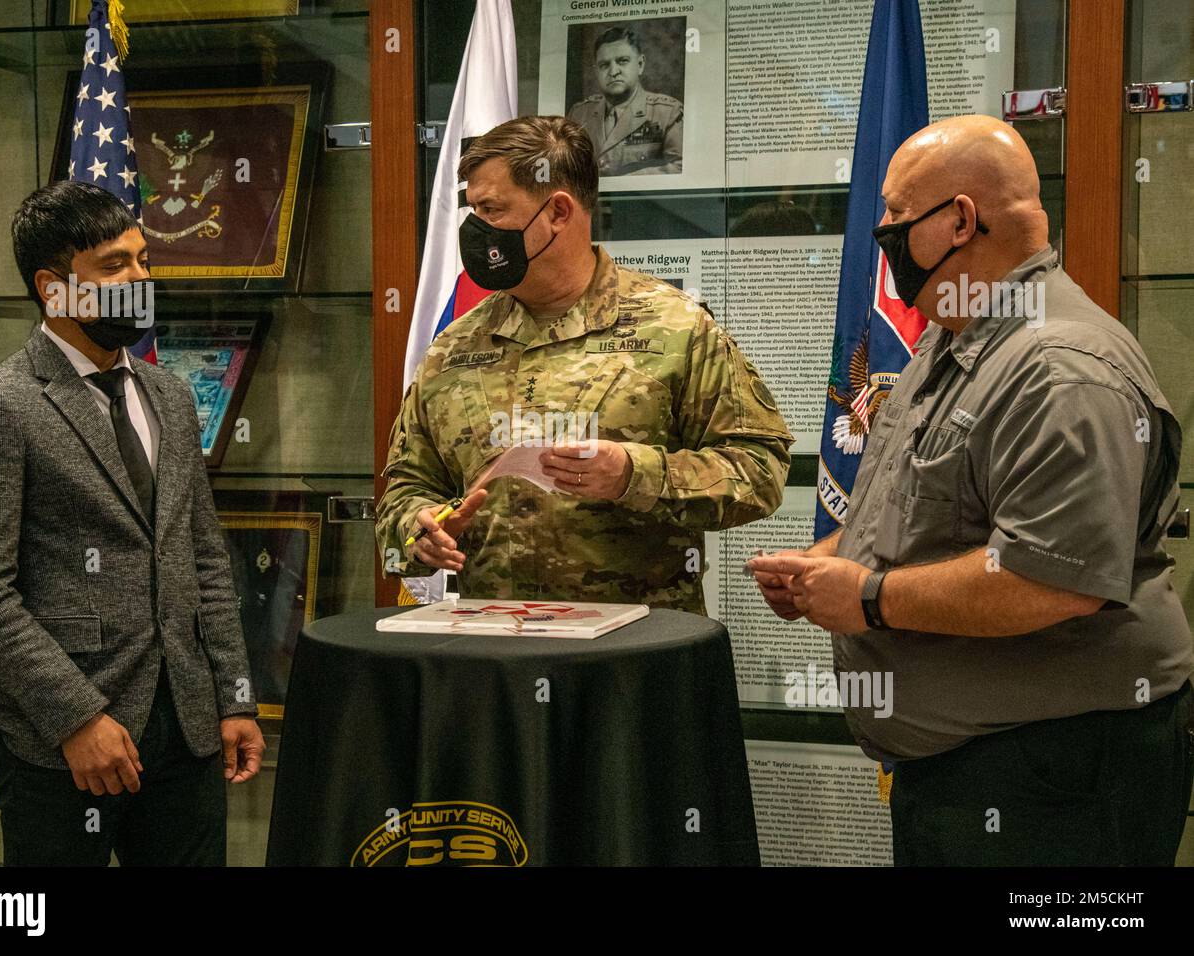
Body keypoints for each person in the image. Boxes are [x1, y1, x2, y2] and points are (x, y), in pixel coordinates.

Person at [749, 115, 1194, 866]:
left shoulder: (1058, 366)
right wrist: (828, 559)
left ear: (960, 220)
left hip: (1051, 781)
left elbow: (1049, 581)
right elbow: (918, 501)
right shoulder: (954, 334)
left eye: (893, 215)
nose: (880, 233)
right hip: (975, 771)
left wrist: (866, 597)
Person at [0, 180, 264, 865]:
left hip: (188, 727)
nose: (140, 279)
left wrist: (235, 698)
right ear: (54, 288)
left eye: (144, 260)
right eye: (115, 266)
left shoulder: (169, 394)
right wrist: (76, 718)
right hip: (64, 742)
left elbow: (203, 557)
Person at [377, 116, 792, 614]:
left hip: (634, 653)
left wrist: (632, 474)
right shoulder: (455, 345)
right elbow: (406, 484)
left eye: (491, 209)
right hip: (494, 651)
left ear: (557, 212)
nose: (476, 228)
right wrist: (418, 527)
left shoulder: (676, 328)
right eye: (473, 210)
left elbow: (758, 470)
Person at [567, 27, 684, 176]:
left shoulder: (667, 112)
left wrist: (627, 181)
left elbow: (680, 167)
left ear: (640, 64)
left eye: (622, 61)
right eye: (604, 65)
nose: (613, 71)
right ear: (596, 71)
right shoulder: (579, 114)